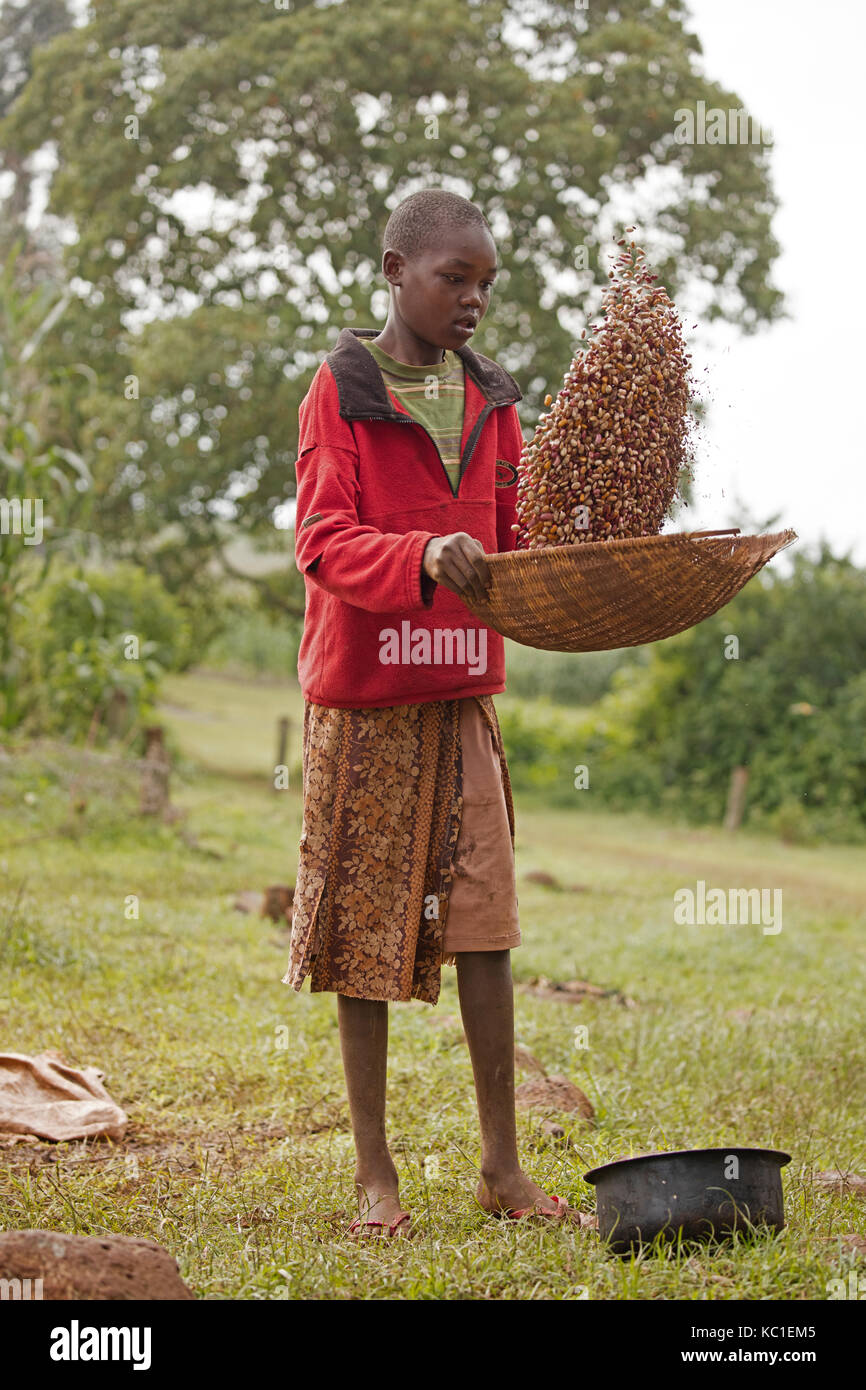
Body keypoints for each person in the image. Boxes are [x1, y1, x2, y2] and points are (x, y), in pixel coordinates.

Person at [283, 189, 579, 1235]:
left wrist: (578, 564)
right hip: (365, 701)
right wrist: (417, 555)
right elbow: (320, 542)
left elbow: (513, 538)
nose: (473, 301)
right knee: (362, 937)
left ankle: (502, 1169)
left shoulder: (493, 400)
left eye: (486, 284)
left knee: (486, 929)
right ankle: (377, 1176)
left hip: (459, 696)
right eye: (454, 278)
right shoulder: (341, 388)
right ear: (394, 268)